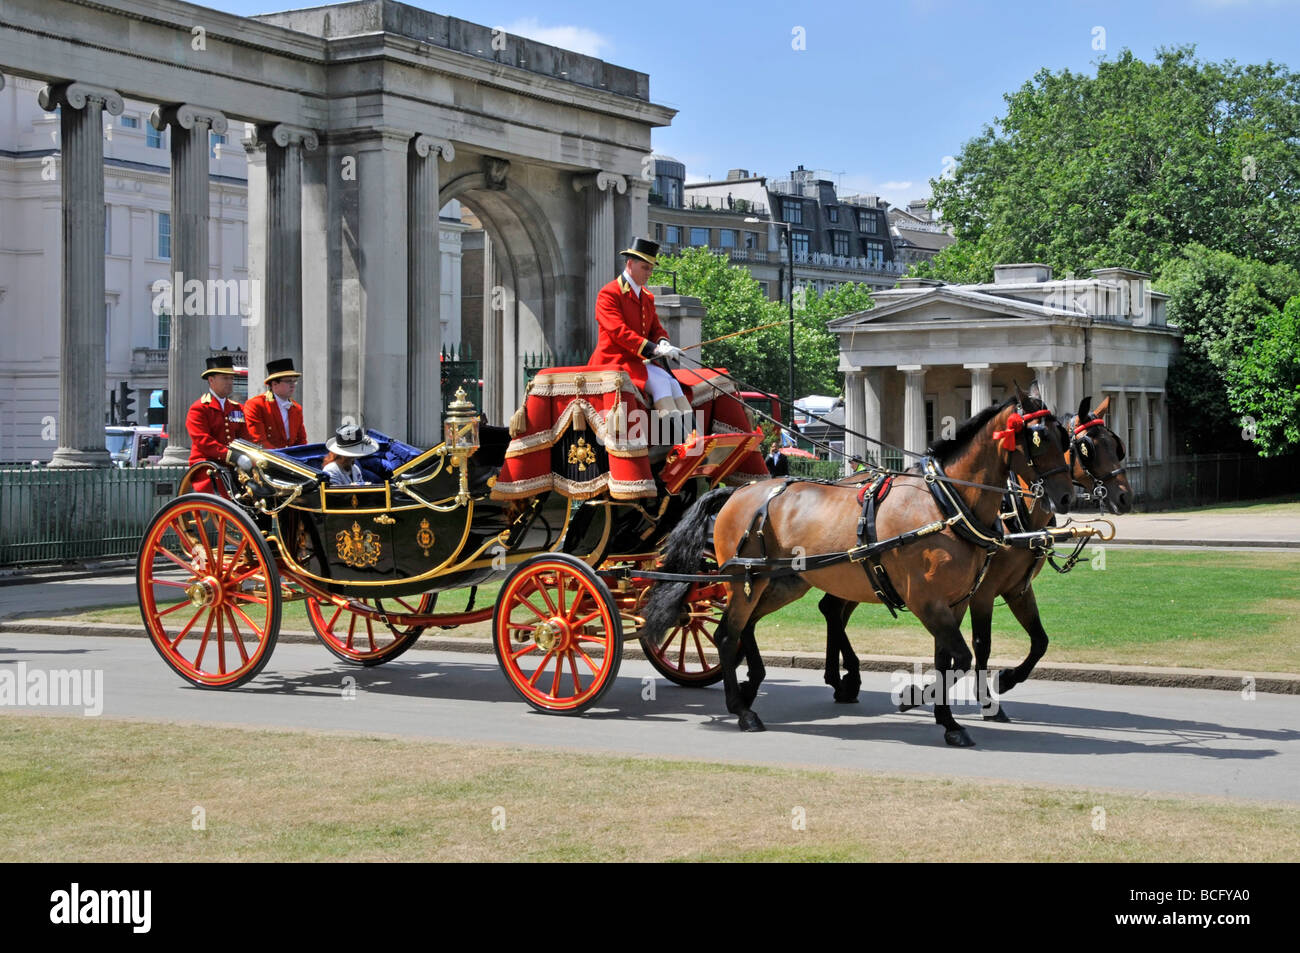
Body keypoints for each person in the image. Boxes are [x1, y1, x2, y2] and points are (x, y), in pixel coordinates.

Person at [587, 237, 692, 440]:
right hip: (614, 361)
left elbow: (656, 328)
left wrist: (663, 342)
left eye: (651, 268)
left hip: (637, 361)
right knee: (662, 383)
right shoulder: (608, 293)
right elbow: (619, 332)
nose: (649, 273)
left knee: (672, 382)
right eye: (645, 267)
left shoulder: (647, 297)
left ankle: (693, 439)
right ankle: (679, 442)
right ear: (630, 263)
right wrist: (654, 349)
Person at [185, 357, 248, 491]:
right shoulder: (199, 408)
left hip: (234, 465)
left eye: (231, 378)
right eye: (225, 378)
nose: (230, 382)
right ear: (211, 380)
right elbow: (203, 442)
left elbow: (246, 437)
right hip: (208, 466)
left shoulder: (237, 409)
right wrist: (232, 456)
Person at [244, 357, 308, 449]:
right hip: (268, 459)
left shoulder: (296, 408)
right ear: (274, 384)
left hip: (291, 460)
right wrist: (283, 458)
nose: (292, 385)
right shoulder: (256, 405)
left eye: (294, 381)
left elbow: (301, 441)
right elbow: (258, 441)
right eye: (288, 381)